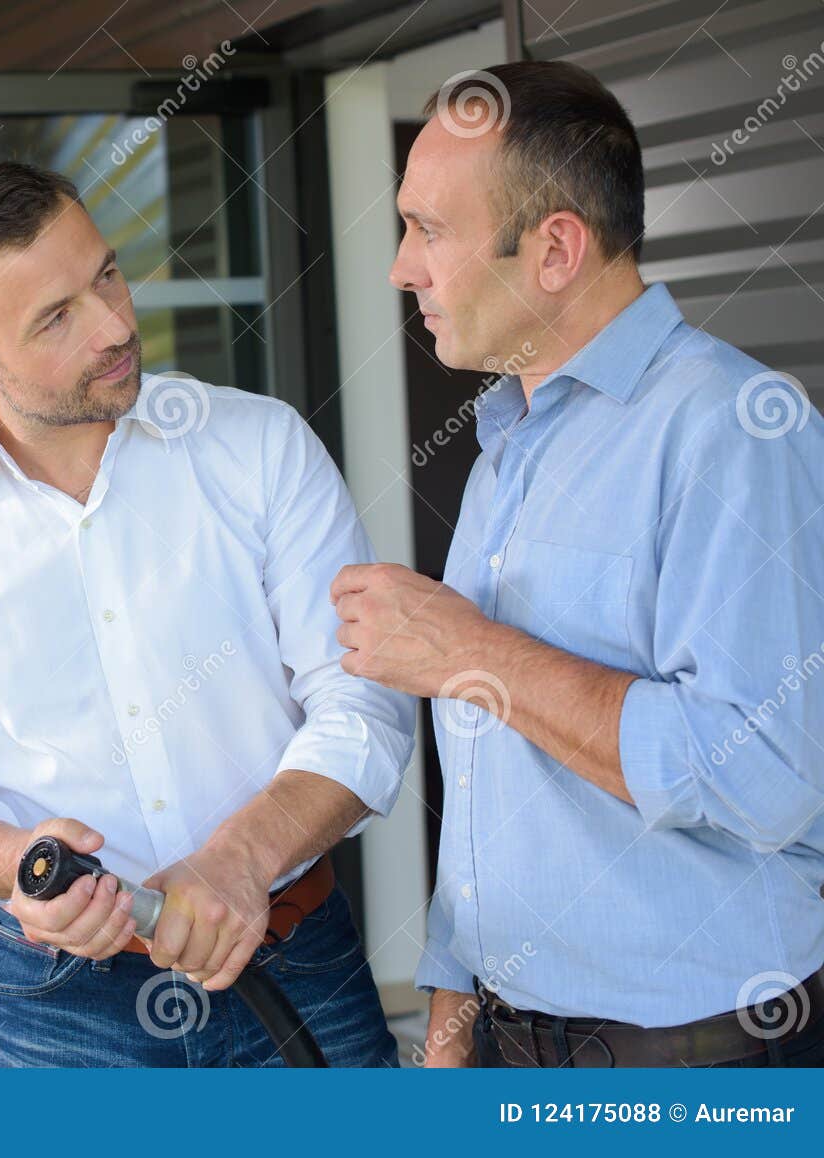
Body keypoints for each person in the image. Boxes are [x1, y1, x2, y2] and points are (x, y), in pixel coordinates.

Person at [0, 160, 413, 1066]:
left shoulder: (260, 447)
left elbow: (367, 702)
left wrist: (239, 860)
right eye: (55, 318)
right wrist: (16, 864)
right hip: (58, 1014)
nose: (114, 326)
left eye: (105, 274)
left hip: (297, 959)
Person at [335, 60, 824, 1066]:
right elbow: (496, 788)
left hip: (693, 1055)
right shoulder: (511, 436)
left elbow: (768, 774)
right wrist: (451, 1014)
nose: (400, 267)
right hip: (511, 1040)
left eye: (429, 229)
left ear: (556, 248)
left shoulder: (730, 431)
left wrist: (471, 651)